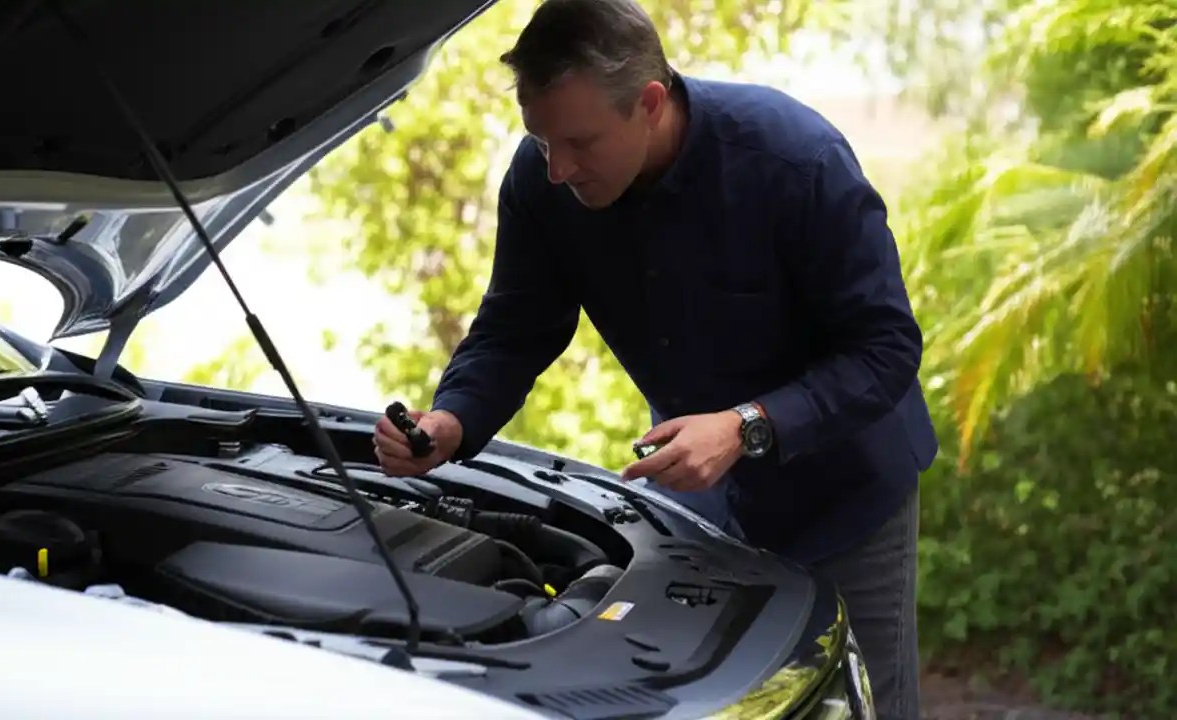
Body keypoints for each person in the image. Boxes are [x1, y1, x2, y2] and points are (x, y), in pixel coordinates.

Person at [372, 0, 937, 716]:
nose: (557, 169)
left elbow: (885, 349)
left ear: (649, 103)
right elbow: (516, 327)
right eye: (542, 140)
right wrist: (453, 420)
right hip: (697, 502)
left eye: (579, 142)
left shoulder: (795, 160)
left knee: (860, 705)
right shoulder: (544, 181)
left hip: (845, 495)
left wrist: (745, 426)